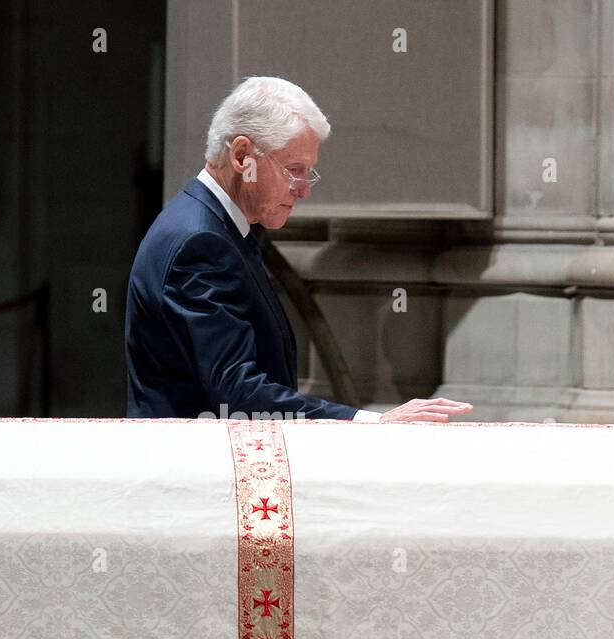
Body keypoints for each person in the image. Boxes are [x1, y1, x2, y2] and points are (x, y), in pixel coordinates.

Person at [125, 75, 474, 424]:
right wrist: (369, 423)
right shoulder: (201, 241)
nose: (303, 190)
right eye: (294, 170)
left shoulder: (218, 227)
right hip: (196, 467)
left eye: (308, 173)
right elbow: (238, 393)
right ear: (242, 156)